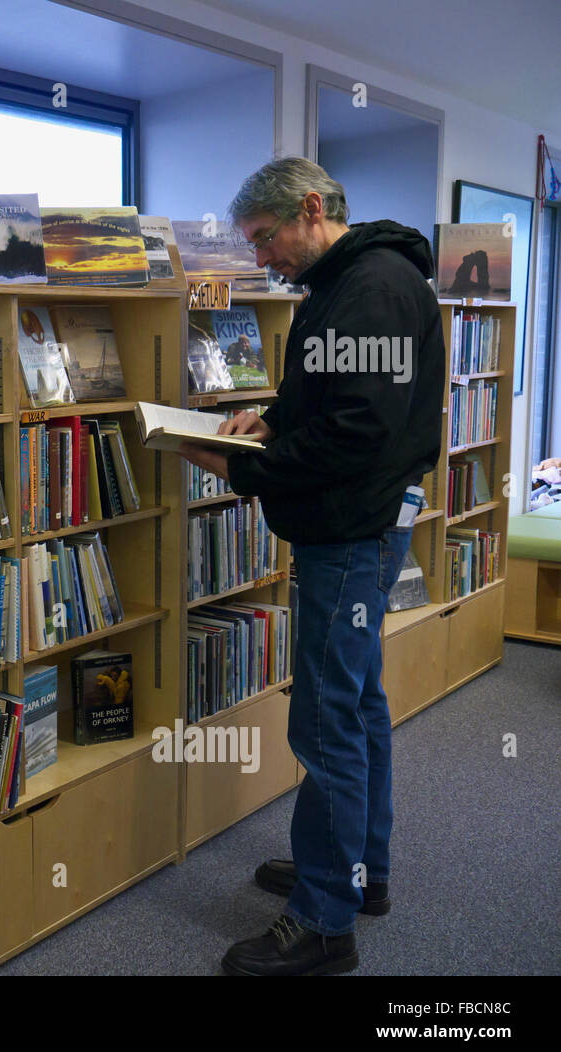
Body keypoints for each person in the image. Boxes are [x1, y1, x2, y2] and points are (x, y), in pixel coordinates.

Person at [180, 157, 444, 976]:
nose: (260, 259)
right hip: (363, 524)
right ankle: (361, 871)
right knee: (358, 703)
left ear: (309, 209)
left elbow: (356, 433)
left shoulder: (369, 289)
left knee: (326, 719)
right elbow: (334, 396)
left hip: (351, 531)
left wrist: (242, 467)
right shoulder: (352, 281)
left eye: (265, 240)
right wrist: (273, 414)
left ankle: (325, 920)